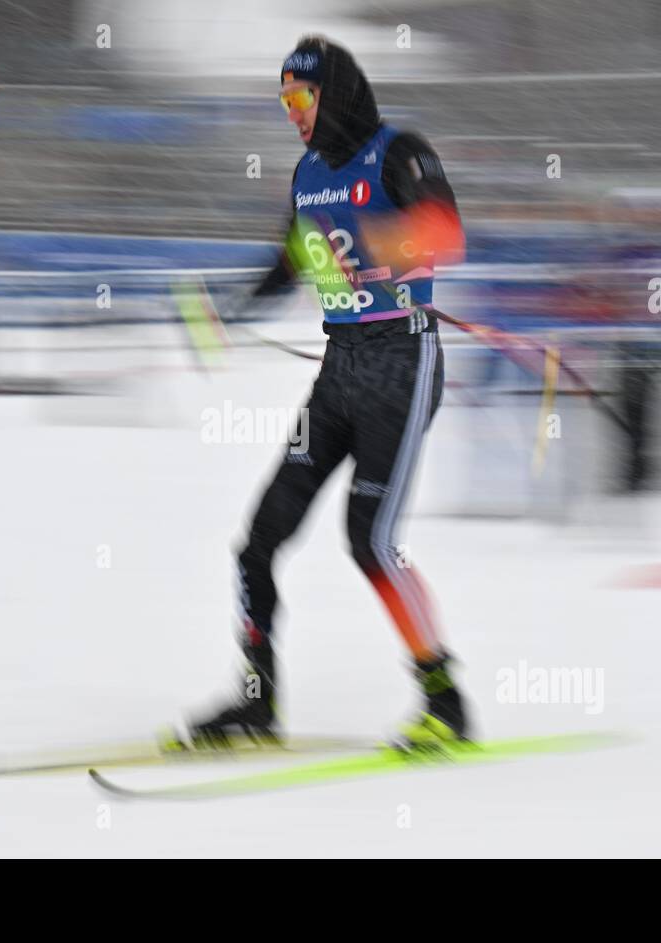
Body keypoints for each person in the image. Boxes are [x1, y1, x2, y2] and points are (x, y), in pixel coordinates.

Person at [188, 35, 471, 750]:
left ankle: (447, 703)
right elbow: (294, 262)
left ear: (332, 93)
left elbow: (445, 232)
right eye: (284, 101)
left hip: (401, 367)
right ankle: (257, 701)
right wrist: (231, 310)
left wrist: (377, 249)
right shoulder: (308, 173)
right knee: (257, 543)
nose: (292, 114)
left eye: (300, 99)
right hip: (341, 372)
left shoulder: (399, 151)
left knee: (370, 541)